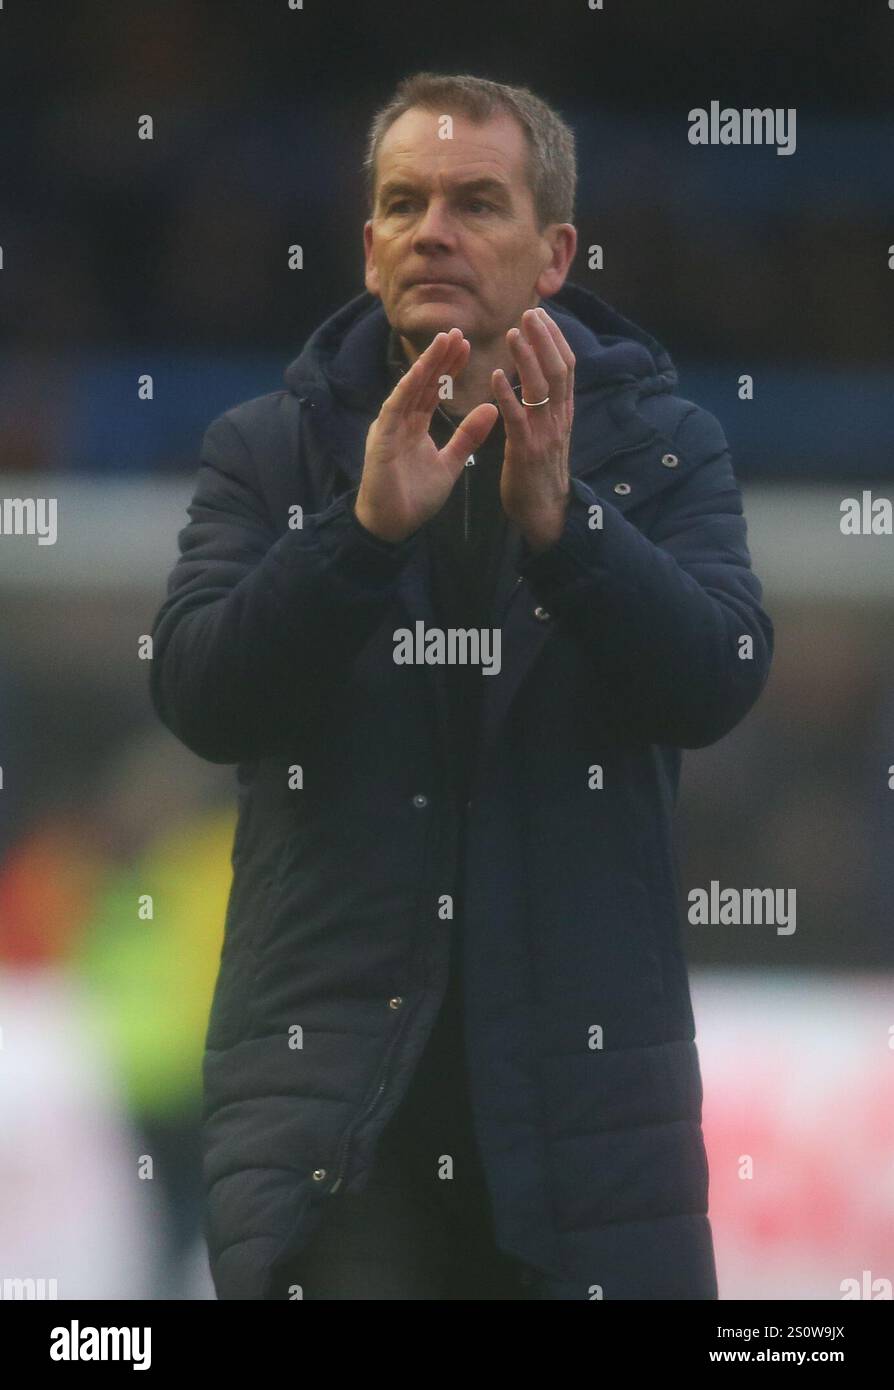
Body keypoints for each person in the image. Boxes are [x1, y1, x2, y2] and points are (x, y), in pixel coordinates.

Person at [149, 72, 774, 1300]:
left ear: (554, 254)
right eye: (403, 202)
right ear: (369, 243)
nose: (432, 228)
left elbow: (718, 679)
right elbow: (198, 695)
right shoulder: (267, 449)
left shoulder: (664, 445)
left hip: (587, 1141)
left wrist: (571, 530)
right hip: (334, 1135)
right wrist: (360, 536)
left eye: (475, 202)